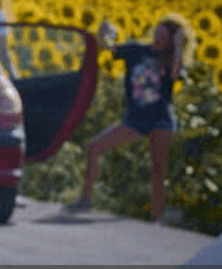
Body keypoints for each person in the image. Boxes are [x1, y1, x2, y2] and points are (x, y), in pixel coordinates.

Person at [66, 14, 194, 222]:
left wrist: (180, 46)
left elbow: (174, 76)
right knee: (94, 147)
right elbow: (108, 47)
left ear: (172, 41)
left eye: (165, 35)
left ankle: (157, 217)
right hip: (134, 119)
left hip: (161, 120)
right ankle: (85, 200)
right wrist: (103, 33)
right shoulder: (136, 50)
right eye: (157, 31)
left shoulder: (172, 60)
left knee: (158, 169)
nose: (158, 37)